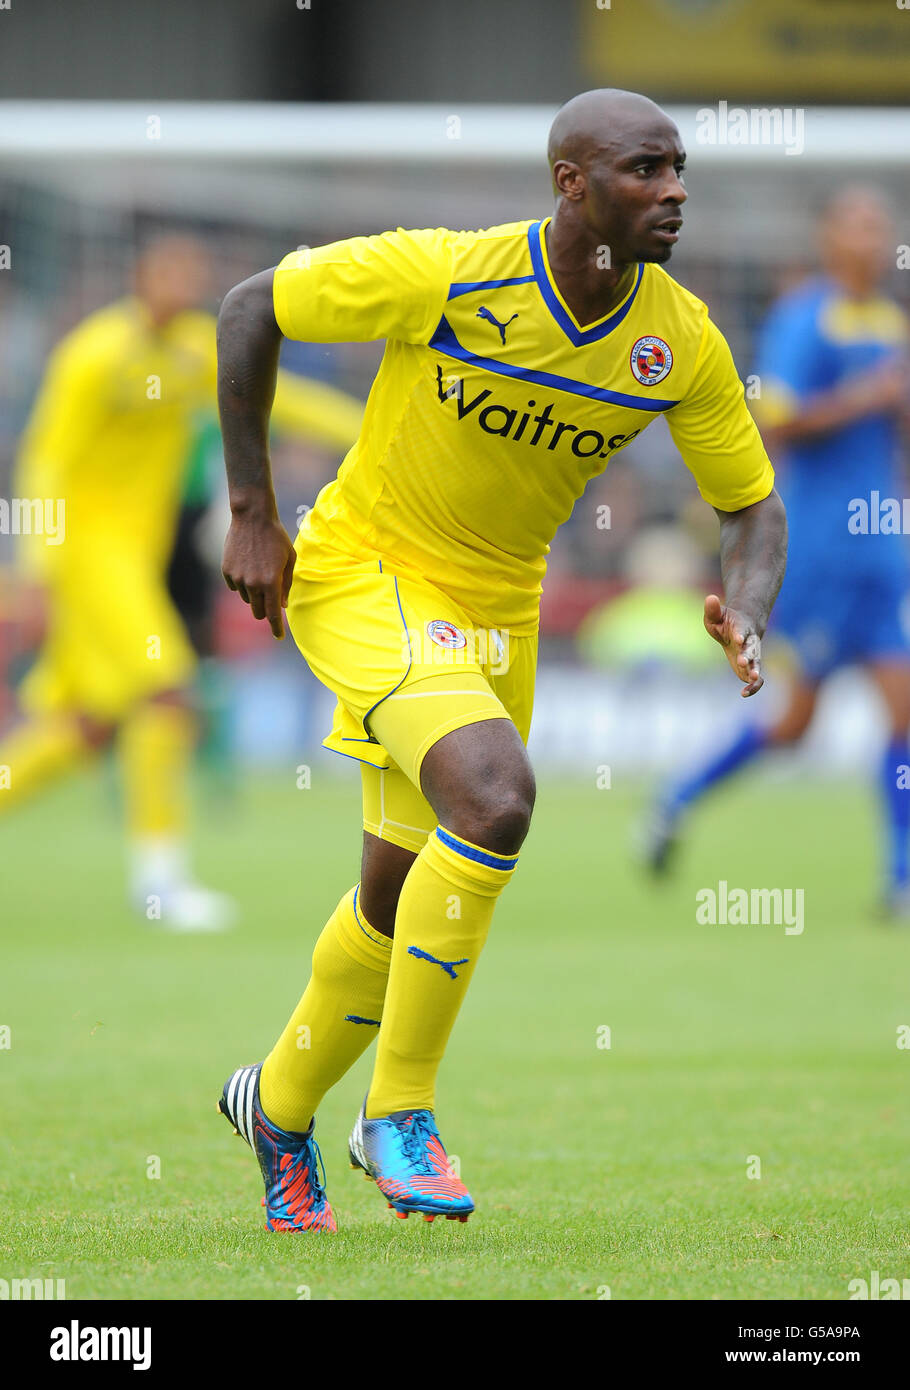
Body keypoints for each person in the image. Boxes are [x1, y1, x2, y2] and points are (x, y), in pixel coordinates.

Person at [215, 88, 787, 1231]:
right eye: (644, 169)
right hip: (364, 572)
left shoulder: (676, 338)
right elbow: (248, 307)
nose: (673, 190)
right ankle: (401, 1113)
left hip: (497, 615)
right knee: (496, 798)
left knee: (393, 904)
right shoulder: (447, 273)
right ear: (572, 183)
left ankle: (274, 1106)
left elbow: (750, 506)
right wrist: (251, 512)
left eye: (679, 170)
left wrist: (748, 607)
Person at [0, 234, 362, 930]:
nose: (182, 282)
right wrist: (38, 564)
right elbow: (45, 460)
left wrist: (373, 426)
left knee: (85, 727)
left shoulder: (197, 347)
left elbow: (283, 399)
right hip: (85, 555)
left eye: (192, 271)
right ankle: (160, 883)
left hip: (135, 559)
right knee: (168, 695)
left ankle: (159, 876)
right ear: (139, 279)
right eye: (169, 270)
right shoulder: (95, 354)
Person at [645, 188, 910, 914]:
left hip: (882, 549)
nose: (876, 236)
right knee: (795, 726)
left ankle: (900, 876)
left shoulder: (890, 321)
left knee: (903, 708)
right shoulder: (804, 317)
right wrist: (868, 394)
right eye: (860, 223)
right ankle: (678, 796)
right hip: (819, 548)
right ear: (829, 237)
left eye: (882, 224)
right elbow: (778, 421)